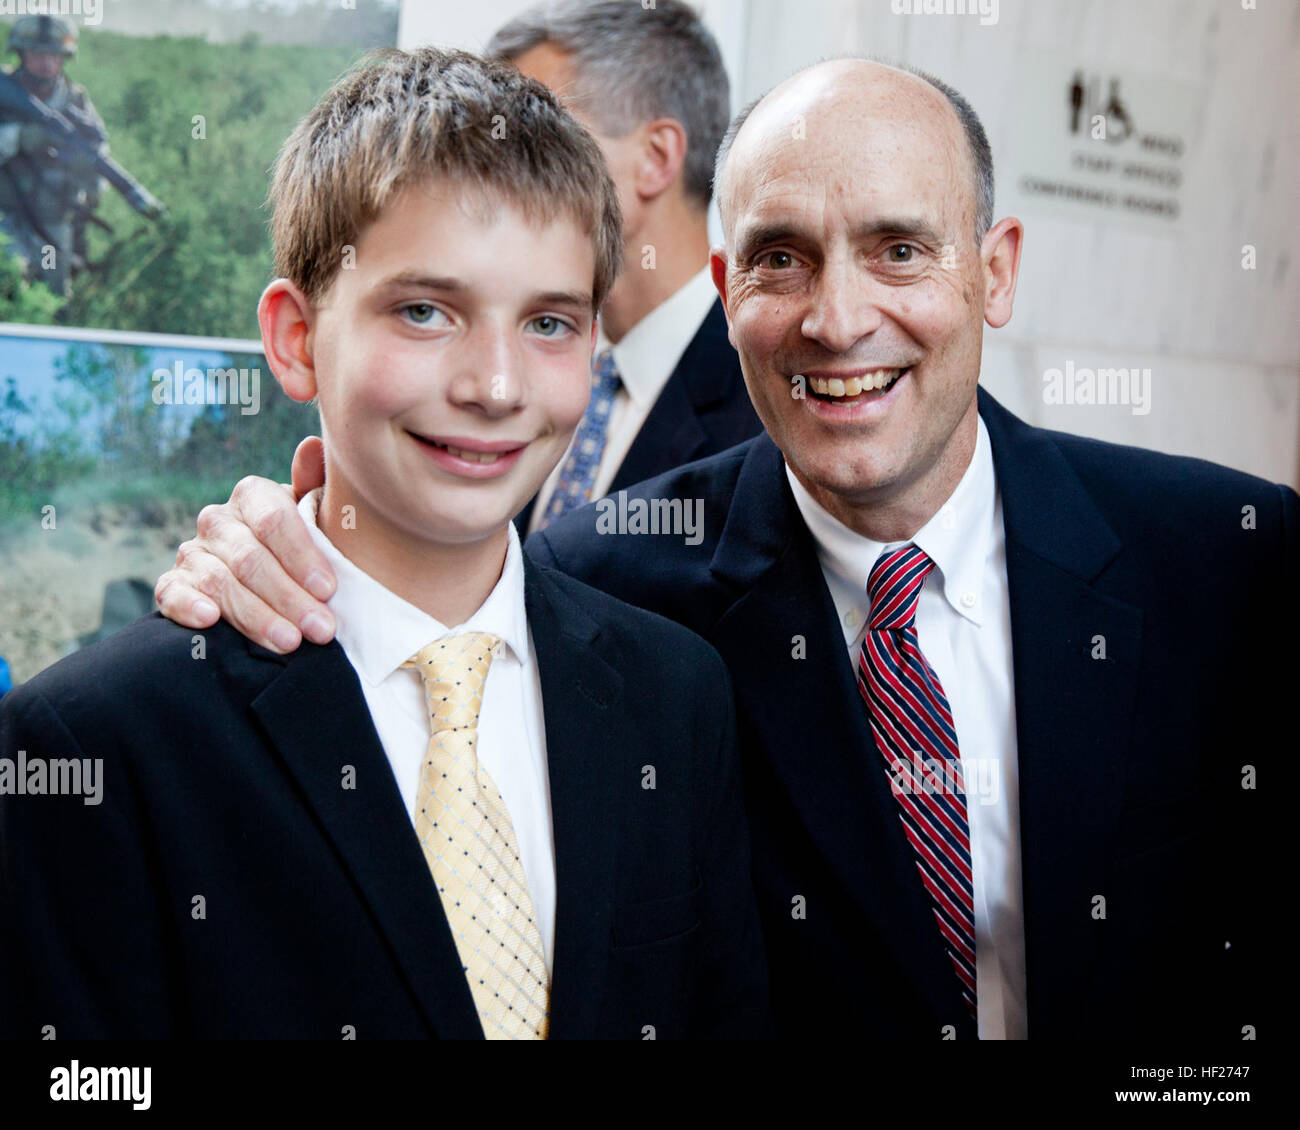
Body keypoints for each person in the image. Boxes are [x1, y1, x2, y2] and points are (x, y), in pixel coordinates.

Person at [153, 58, 1283, 1041]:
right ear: (723, 286)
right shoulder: (606, 589)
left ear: (994, 269)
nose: (836, 319)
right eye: (782, 259)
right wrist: (291, 534)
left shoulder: (1236, 562)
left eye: (897, 249)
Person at [0, 48, 769, 1040]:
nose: (494, 385)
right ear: (293, 337)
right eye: (423, 310)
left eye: (547, 322)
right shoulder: (100, 740)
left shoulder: (676, 694)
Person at [488, 0, 761, 533]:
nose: (493, 175)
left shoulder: (771, 416)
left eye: (535, 141)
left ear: (656, 158)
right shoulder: (515, 369)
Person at [0, 15, 105, 296]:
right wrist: (18, 138)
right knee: (12, 282)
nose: (46, 63)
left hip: (53, 221)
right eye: (38, 54)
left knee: (55, 298)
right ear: (22, 54)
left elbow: (99, 152)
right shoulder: (4, 92)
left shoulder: (75, 99)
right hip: (7, 217)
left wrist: (91, 176)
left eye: (54, 55)